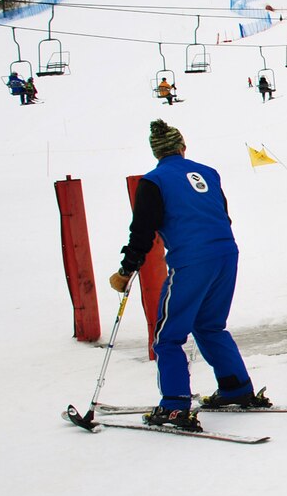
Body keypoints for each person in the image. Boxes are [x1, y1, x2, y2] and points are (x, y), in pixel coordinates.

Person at [108, 119, 269, 431]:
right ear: (182, 147)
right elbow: (222, 214)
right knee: (209, 325)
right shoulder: (208, 173)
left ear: (156, 152)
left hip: (192, 261)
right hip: (226, 253)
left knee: (168, 336)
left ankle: (174, 405)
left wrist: (127, 269)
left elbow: (142, 230)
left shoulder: (153, 181)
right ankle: (236, 387)